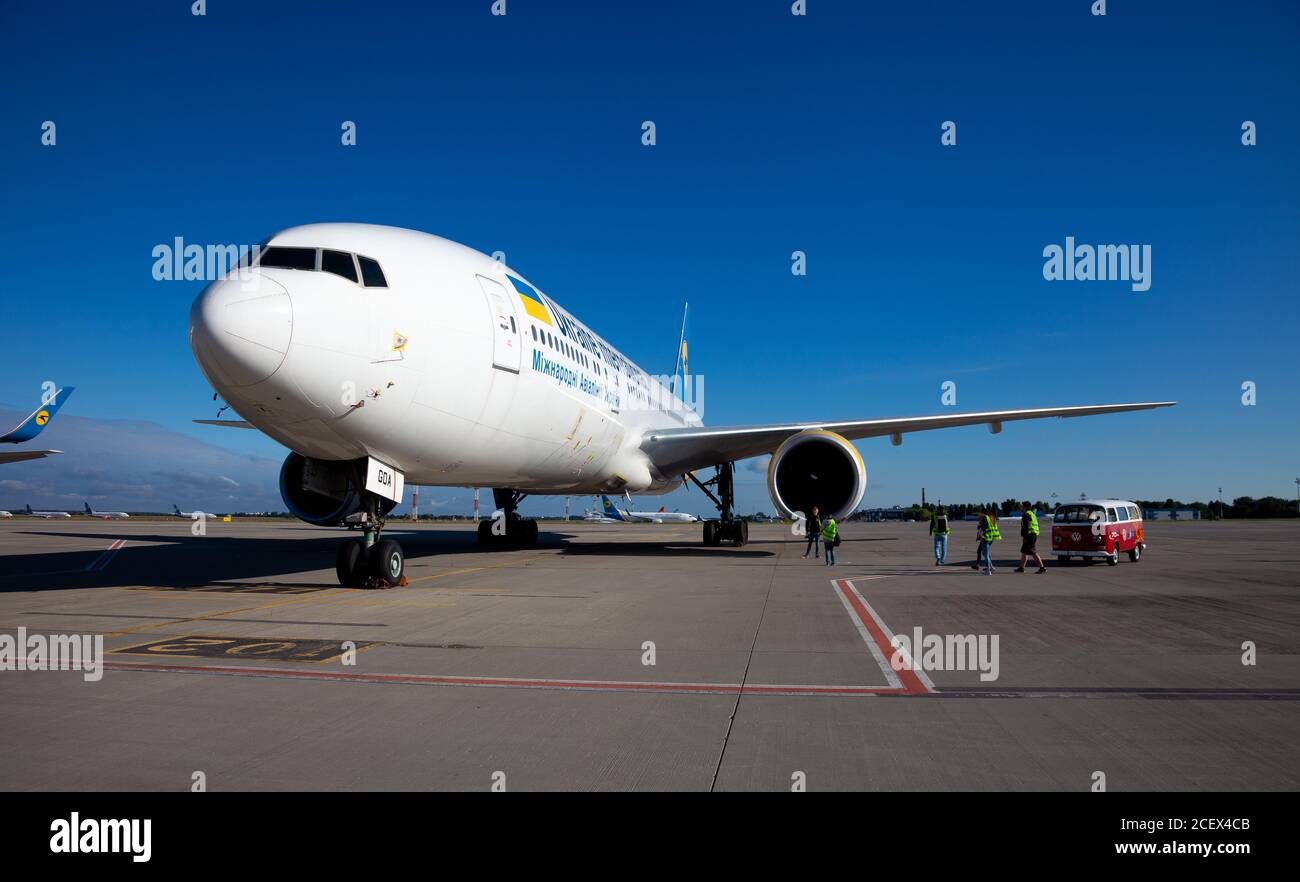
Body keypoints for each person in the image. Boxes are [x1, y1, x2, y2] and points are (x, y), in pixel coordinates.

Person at [1015, 501, 1047, 573]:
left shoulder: (1026, 514)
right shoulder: (1032, 514)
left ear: (1025, 507)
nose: (1021, 507)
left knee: (1033, 551)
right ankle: (1021, 567)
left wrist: (1024, 537)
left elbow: (1026, 526)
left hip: (1029, 535)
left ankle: (1042, 568)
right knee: (1024, 551)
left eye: (1022, 506)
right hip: (1033, 534)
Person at [975, 508, 1000, 575]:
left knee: (985, 554)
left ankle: (988, 570)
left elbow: (983, 528)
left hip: (986, 538)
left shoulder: (984, 518)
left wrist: (979, 536)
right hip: (991, 538)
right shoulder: (989, 518)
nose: (979, 514)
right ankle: (991, 567)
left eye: (979, 512)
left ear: (982, 513)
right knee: (986, 553)